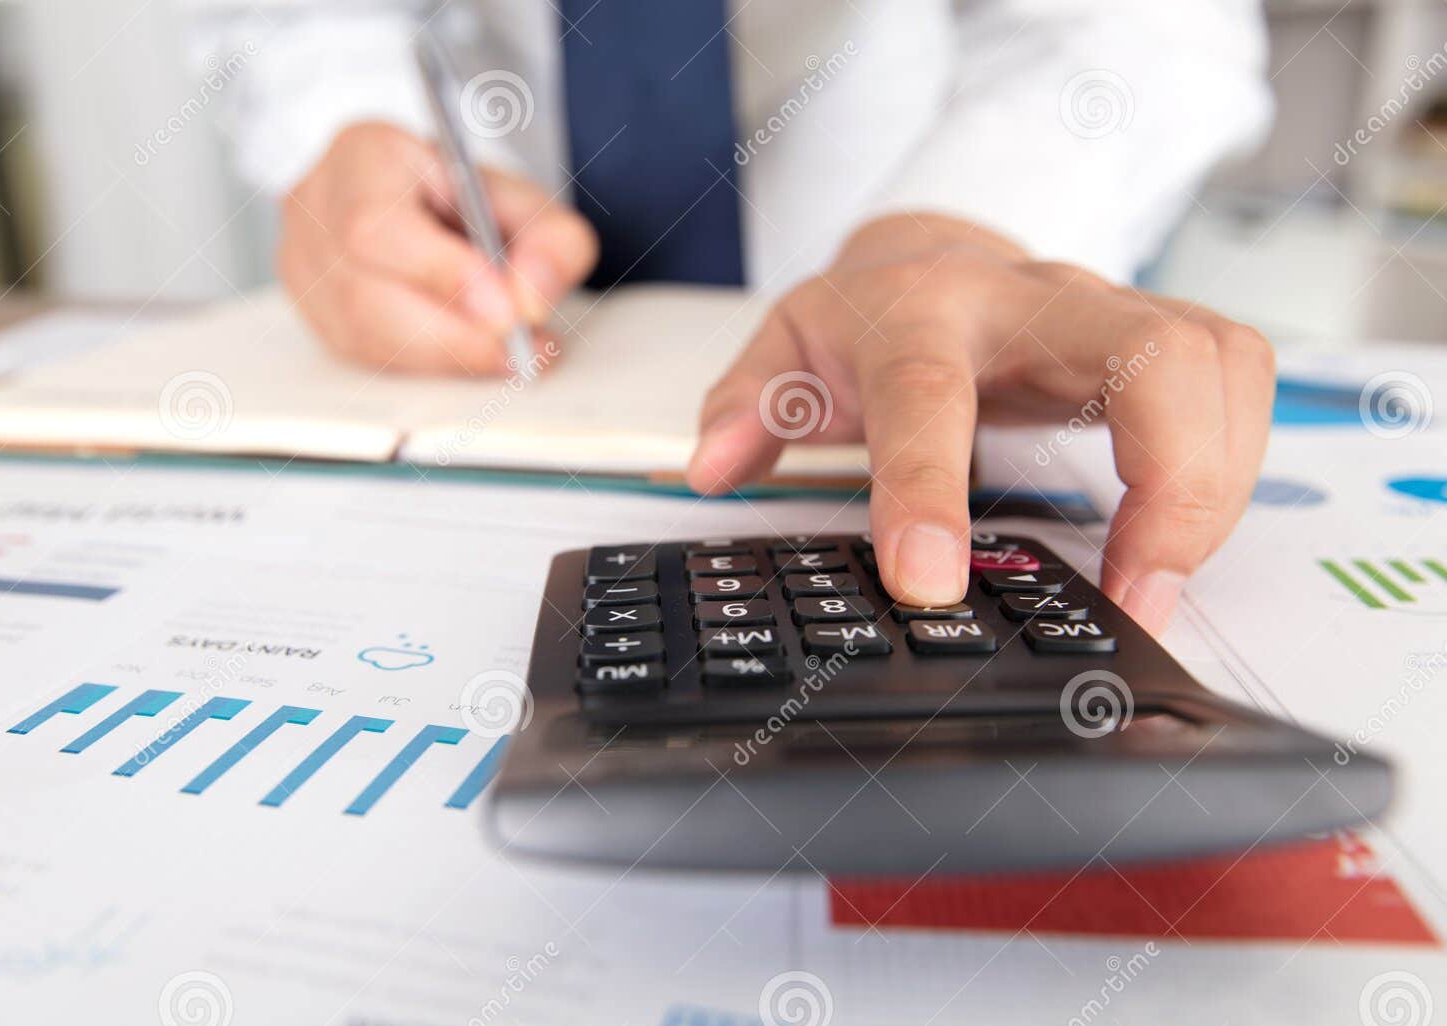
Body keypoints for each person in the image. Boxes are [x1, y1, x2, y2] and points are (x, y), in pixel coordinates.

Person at [226, 0, 1276, 634]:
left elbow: (1140, 23)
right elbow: (310, 23)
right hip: (510, 235)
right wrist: (347, 121)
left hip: (891, 199)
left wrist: (948, 238)